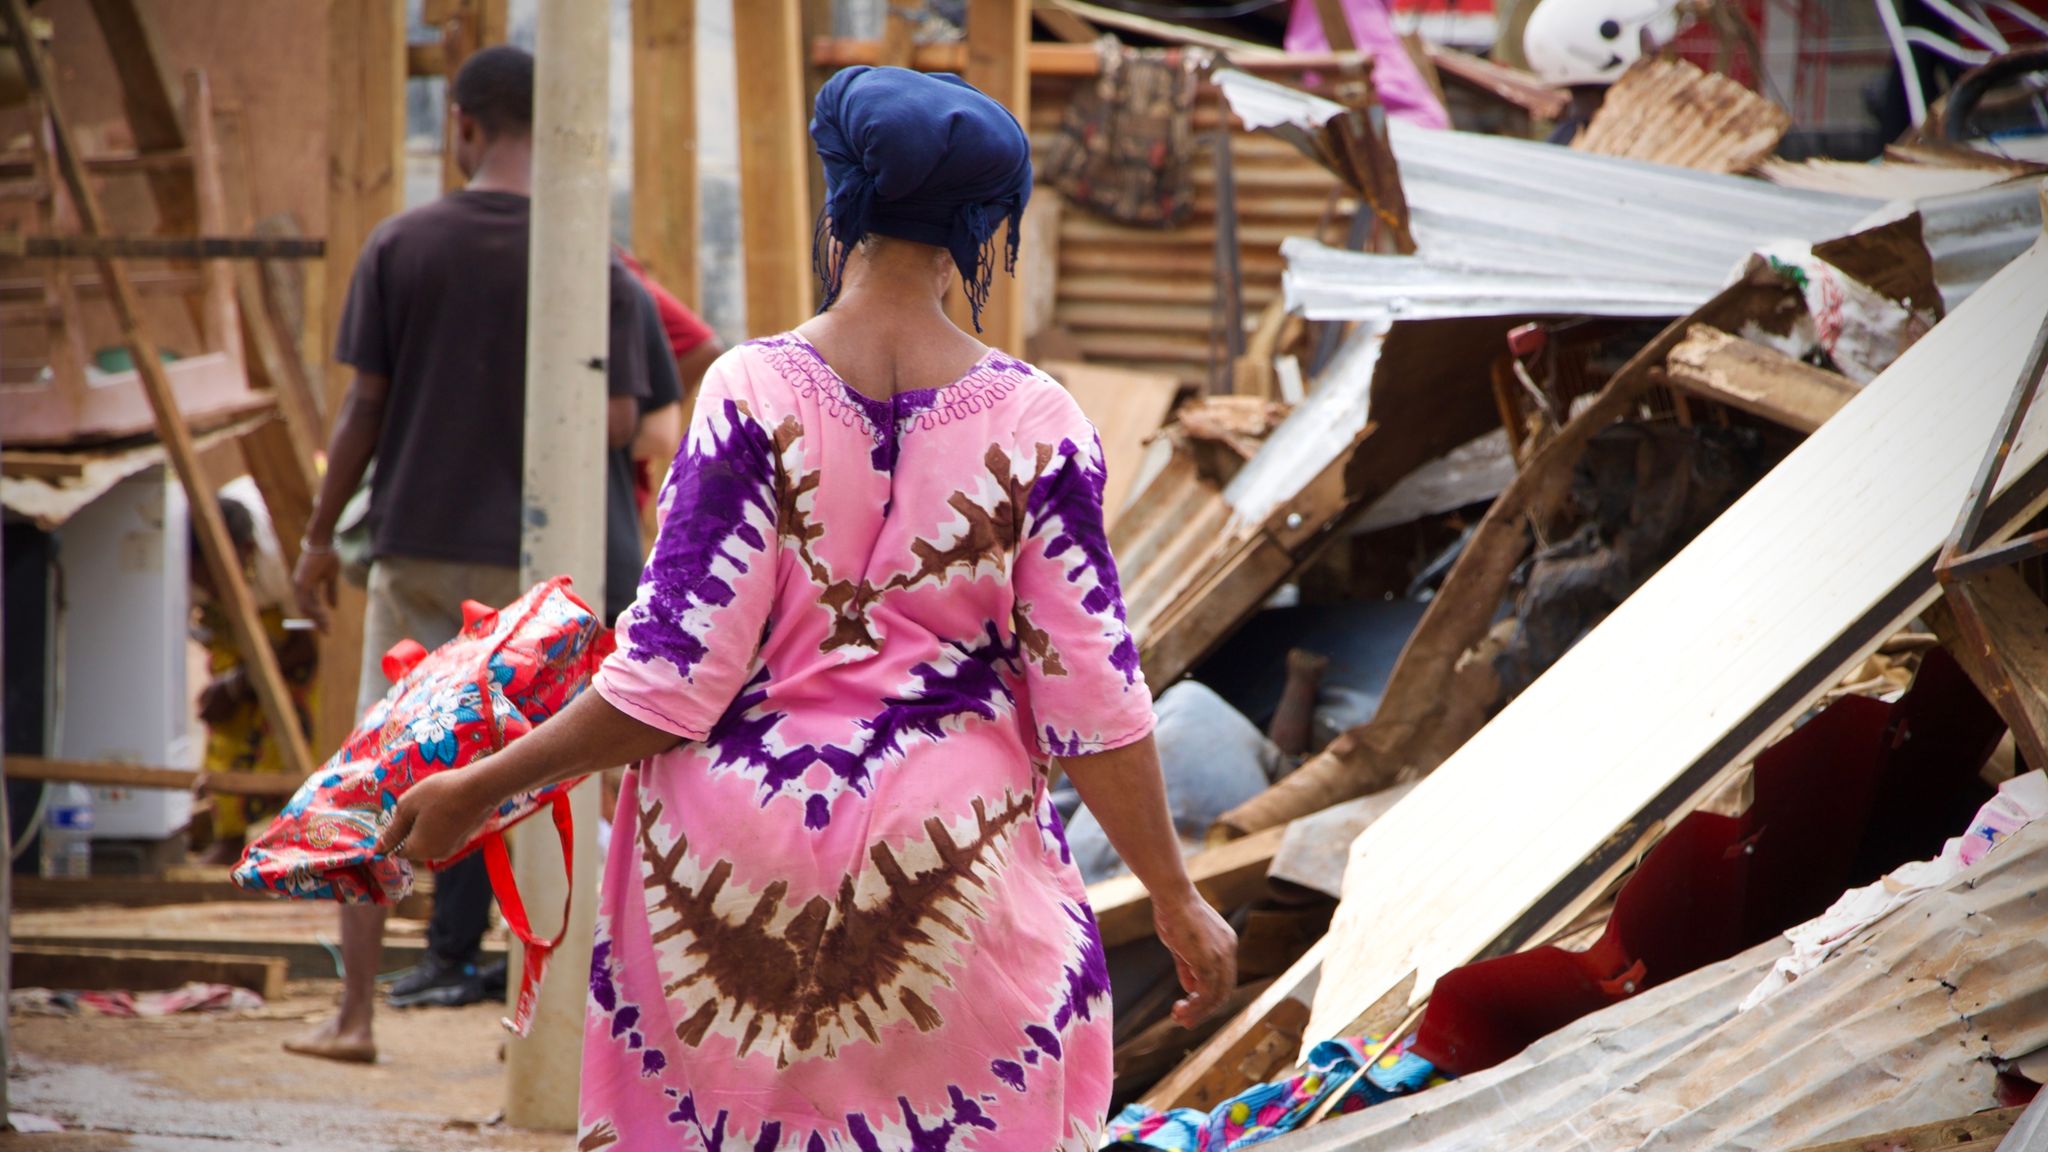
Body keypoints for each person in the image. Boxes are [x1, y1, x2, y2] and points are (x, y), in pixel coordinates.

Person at [377, 65, 1237, 1147]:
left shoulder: (750, 390)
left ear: (842, 204)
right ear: (982, 229)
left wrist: (480, 788)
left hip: (727, 894)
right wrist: (1174, 893)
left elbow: (667, 681)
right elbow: (1094, 701)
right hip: (947, 876)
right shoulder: (1040, 421)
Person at [287, 43, 651, 1061]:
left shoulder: (402, 245)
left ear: (464, 123)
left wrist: (319, 540)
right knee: (555, 781)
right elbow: (620, 414)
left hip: (420, 550)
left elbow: (364, 406)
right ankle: (560, 1035)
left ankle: (354, 1018)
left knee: (376, 773)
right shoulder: (595, 261)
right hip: (549, 567)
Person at [191, 490, 317, 866]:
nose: (211, 588)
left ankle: (293, 833)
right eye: (205, 581)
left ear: (247, 550)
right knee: (224, 727)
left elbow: (307, 643)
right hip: (236, 632)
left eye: (217, 578)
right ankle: (229, 835)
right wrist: (230, 685)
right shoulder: (185, 560)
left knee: (295, 723)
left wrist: (239, 684)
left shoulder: (282, 556)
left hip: (288, 629)